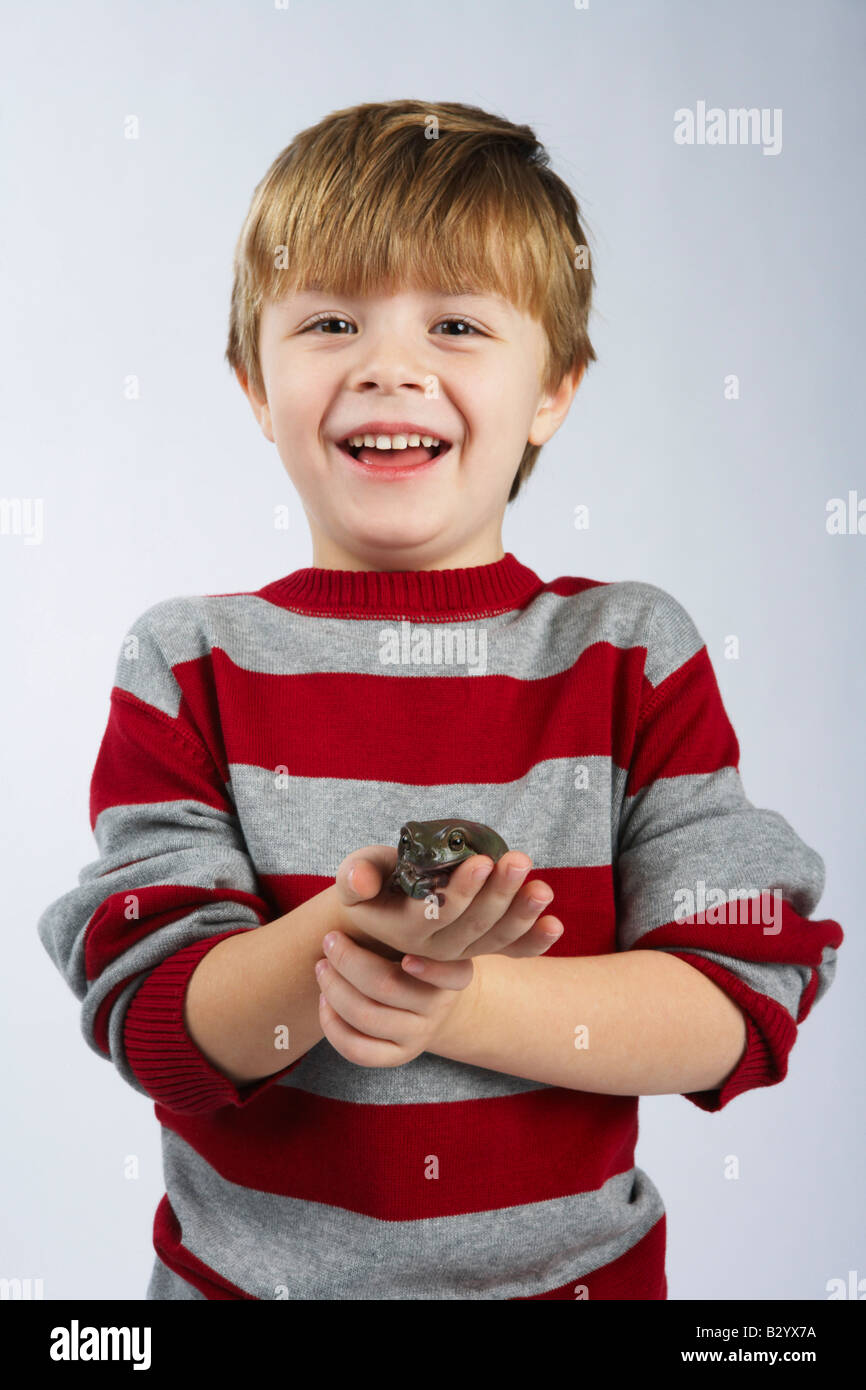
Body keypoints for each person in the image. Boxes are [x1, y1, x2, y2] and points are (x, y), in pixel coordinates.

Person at [37, 99, 843, 1300]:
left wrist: (450, 996)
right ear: (256, 383)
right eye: (328, 320)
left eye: (457, 323)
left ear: (554, 389)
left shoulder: (628, 653)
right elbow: (162, 1017)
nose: (389, 364)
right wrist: (349, 941)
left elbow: (736, 994)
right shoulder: (186, 662)